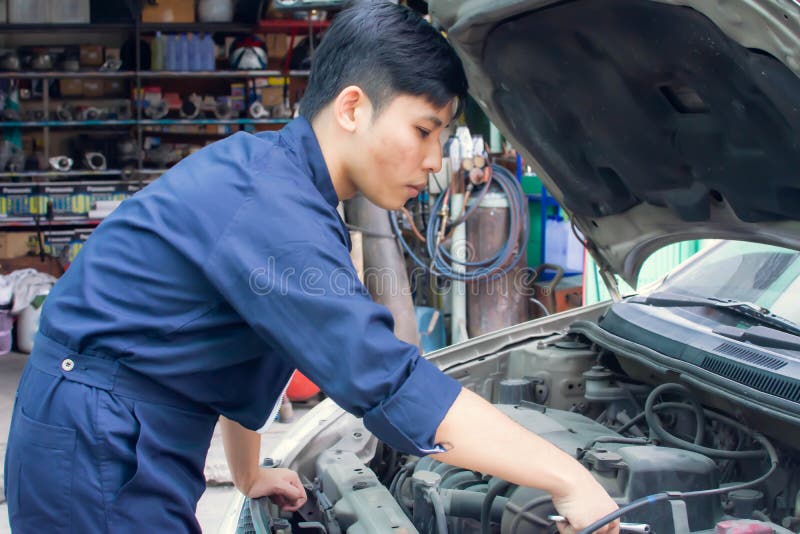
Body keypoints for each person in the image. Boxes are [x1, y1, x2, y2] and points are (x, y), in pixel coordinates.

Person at [3, 2, 619, 533]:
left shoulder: (285, 182)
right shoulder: (272, 207)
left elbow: (249, 345)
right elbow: (387, 381)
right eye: (424, 129)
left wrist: (247, 473)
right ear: (352, 107)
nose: (434, 159)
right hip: (96, 442)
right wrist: (566, 476)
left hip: (110, 426)